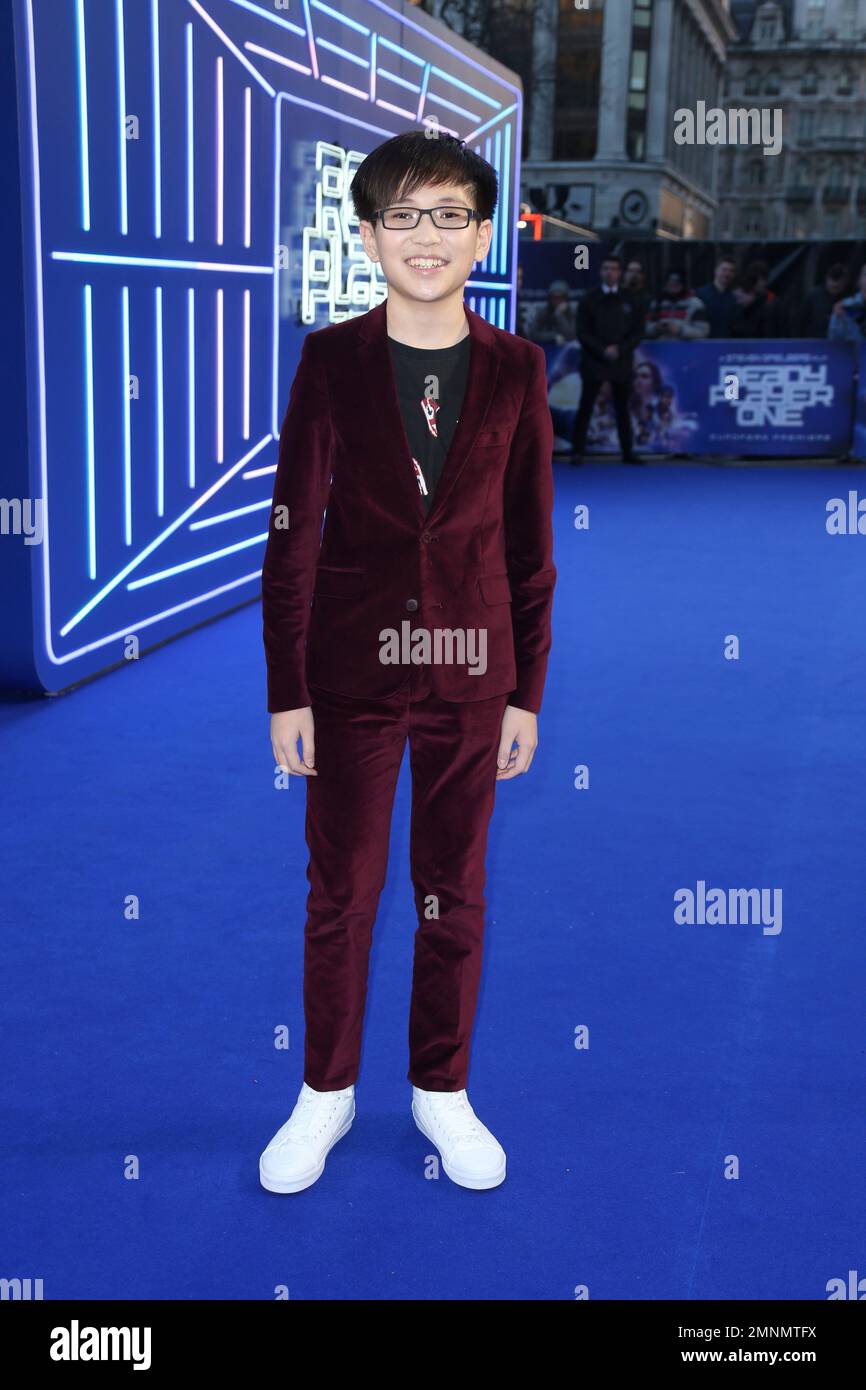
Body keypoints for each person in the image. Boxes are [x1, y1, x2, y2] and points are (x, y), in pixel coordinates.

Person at [259, 131, 556, 1195]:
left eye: (446, 215)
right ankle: (323, 1093)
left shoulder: (519, 370)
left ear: (482, 233)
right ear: (370, 232)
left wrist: (526, 689)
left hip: (473, 678)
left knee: (453, 889)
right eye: (400, 215)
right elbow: (292, 533)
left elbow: (528, 546)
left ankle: (441, 1090)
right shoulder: (330, 361)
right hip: (350, 677)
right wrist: (284, 687)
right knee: (339, 888)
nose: (423, 236)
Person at [570, 253, 646, 464]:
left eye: (613, 268)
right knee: (585, 406)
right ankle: (577, 451)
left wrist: (619, 349)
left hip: (621, 361)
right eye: (606, 268)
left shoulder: (632, 299)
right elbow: (582, 332)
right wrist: (603, 350)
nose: (610, 272)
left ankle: (627, 452)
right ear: (600, 271)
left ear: (620, 273)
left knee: (623, 409)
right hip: (594, 360)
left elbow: (638, 332)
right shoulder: (589, 298)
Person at [644, 270, 710, 340]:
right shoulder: (657, 303)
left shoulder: (695, 304)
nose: (673, 287)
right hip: (660, 348)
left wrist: (680, 330)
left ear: (683, 285)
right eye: (670, 284)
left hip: (685, 349)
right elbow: (646, 328)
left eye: (677, 285)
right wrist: (656, 328)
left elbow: (702, 332)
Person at [799, 264, 850, 338]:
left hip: (840, 342)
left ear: (845, 283)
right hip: (814, 341)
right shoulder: (813, 296)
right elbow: (800, 321)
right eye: (832, 287)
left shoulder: (848, 299)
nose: (834, 291)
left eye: (837, 288)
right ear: (827, 279)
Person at [695, 255, 738, 337]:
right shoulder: (700, 294)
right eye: (724, 269)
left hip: (727, 346)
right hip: (704, 344)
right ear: (716, 270)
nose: (727, 274)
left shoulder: (734, 299)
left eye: (731, 271)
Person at [525, 279, 576, 344]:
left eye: (560, 298)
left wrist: (559, 315)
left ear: (566, 298)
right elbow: (532, 334)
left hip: (567, 349)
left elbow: (571, 336)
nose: (557, 301)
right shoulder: (543, 312)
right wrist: (553, 337)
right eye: (554, 298)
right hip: (548, 348)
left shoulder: (572, 312)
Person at [828, 263, 866, 342]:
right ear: (859, 281)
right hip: (851, 353)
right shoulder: (845, 306)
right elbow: (833, 341)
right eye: (865, 274)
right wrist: (839, 318)